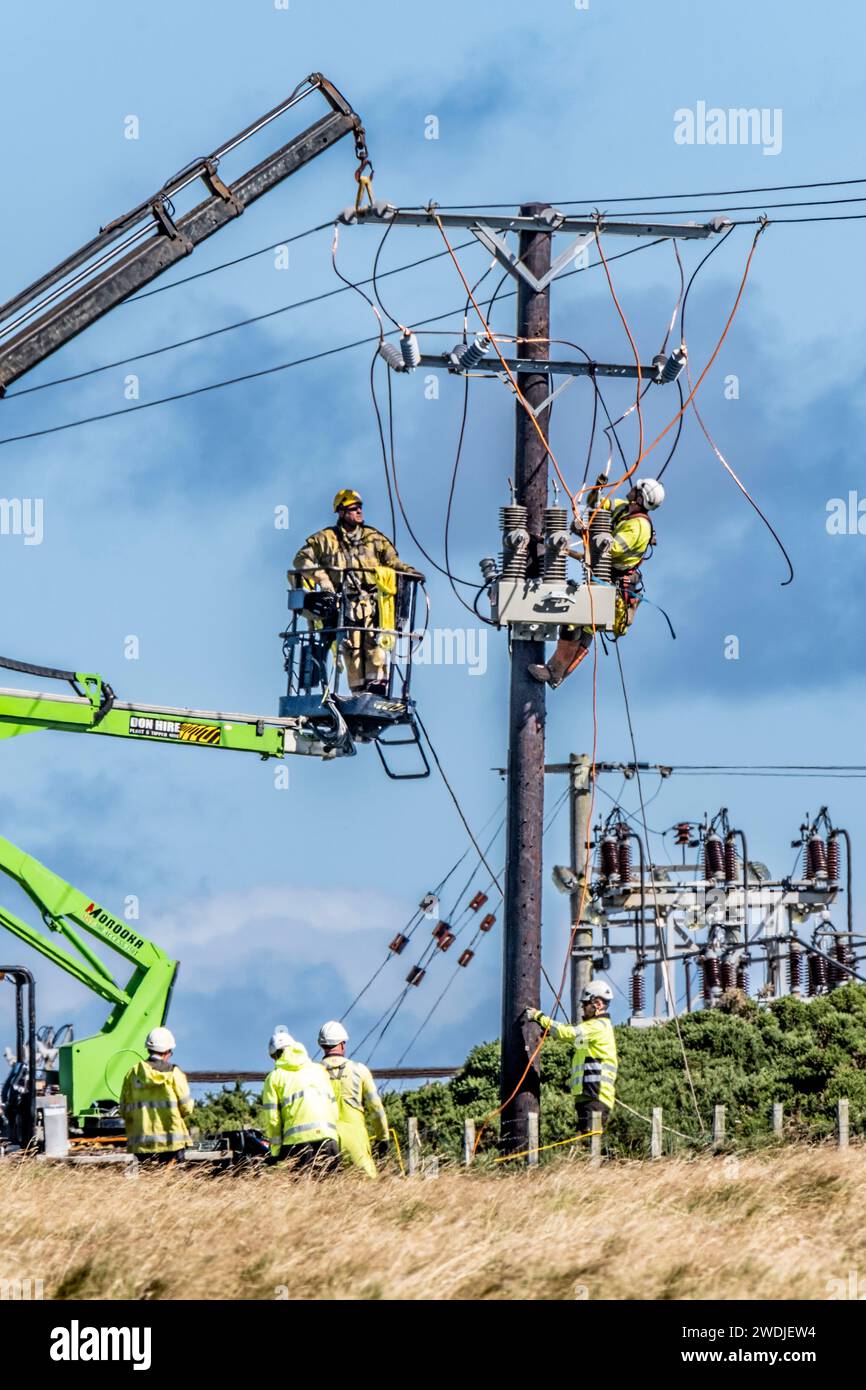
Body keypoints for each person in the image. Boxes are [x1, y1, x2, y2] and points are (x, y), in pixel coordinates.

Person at [529, 477, 664, 689]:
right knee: (583, 622)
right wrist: (597, 491)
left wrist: (583, 532)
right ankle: (556, 673)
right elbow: (600, 504)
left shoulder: (638, 526)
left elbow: (608, 550)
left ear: (640, 497)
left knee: (579, 619)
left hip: (612, 583)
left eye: (636, 488)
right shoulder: (624, 509)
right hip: (602, 576)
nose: (631, 488)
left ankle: (555, 671)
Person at [292, 489, 424, 694]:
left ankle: (377, 691)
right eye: (354, 508)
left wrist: (410, 572)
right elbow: (301, 560)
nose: (359, 511)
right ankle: (358, 693)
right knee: (351, 650)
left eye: (360, 507)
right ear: (341, 512)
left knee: (375, 646)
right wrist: (323, 579)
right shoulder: (325, 540)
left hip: (372, 605)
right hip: (344, 605)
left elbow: (393, 562)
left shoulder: (374, 538)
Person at [523, 981, 618, 1137]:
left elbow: (569, 1033)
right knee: (589, 1141)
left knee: (591, 1142)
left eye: (586, 1004)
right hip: (588, 1095)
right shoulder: (596, 1028)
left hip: (594, 1095)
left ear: (598, 1004)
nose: (582, 1008)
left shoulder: (598, 1026)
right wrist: (551, 1032)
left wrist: (539, 1018)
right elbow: (575, 1040)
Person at [260, 1028, 339, 1173]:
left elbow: (273, 1120)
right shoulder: (319, 1070)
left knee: (303, 1193)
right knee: (331, 1192)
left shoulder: (274, 1077)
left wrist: (276, 1152)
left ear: (276, 1055)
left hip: (298, 1143)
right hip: (329, 1139)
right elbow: (333, 1108)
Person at [318, 1020, 389, 1179]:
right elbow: (376, 1109)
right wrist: (382, 1139)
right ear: (343, 1044)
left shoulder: (313, 1073)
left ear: (321, 1045)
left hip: (325, 1144)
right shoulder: (360, 1070)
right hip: (357, 1145)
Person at [119, 1026, 193, 1163]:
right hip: (172, 1143)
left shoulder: (133, 1073)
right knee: (172, 1182)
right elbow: (187, 1107)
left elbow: (123, 1110)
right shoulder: (174, 1074)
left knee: (149, 1182)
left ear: (148, 1048)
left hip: (142, 1144)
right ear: (167, 1051)